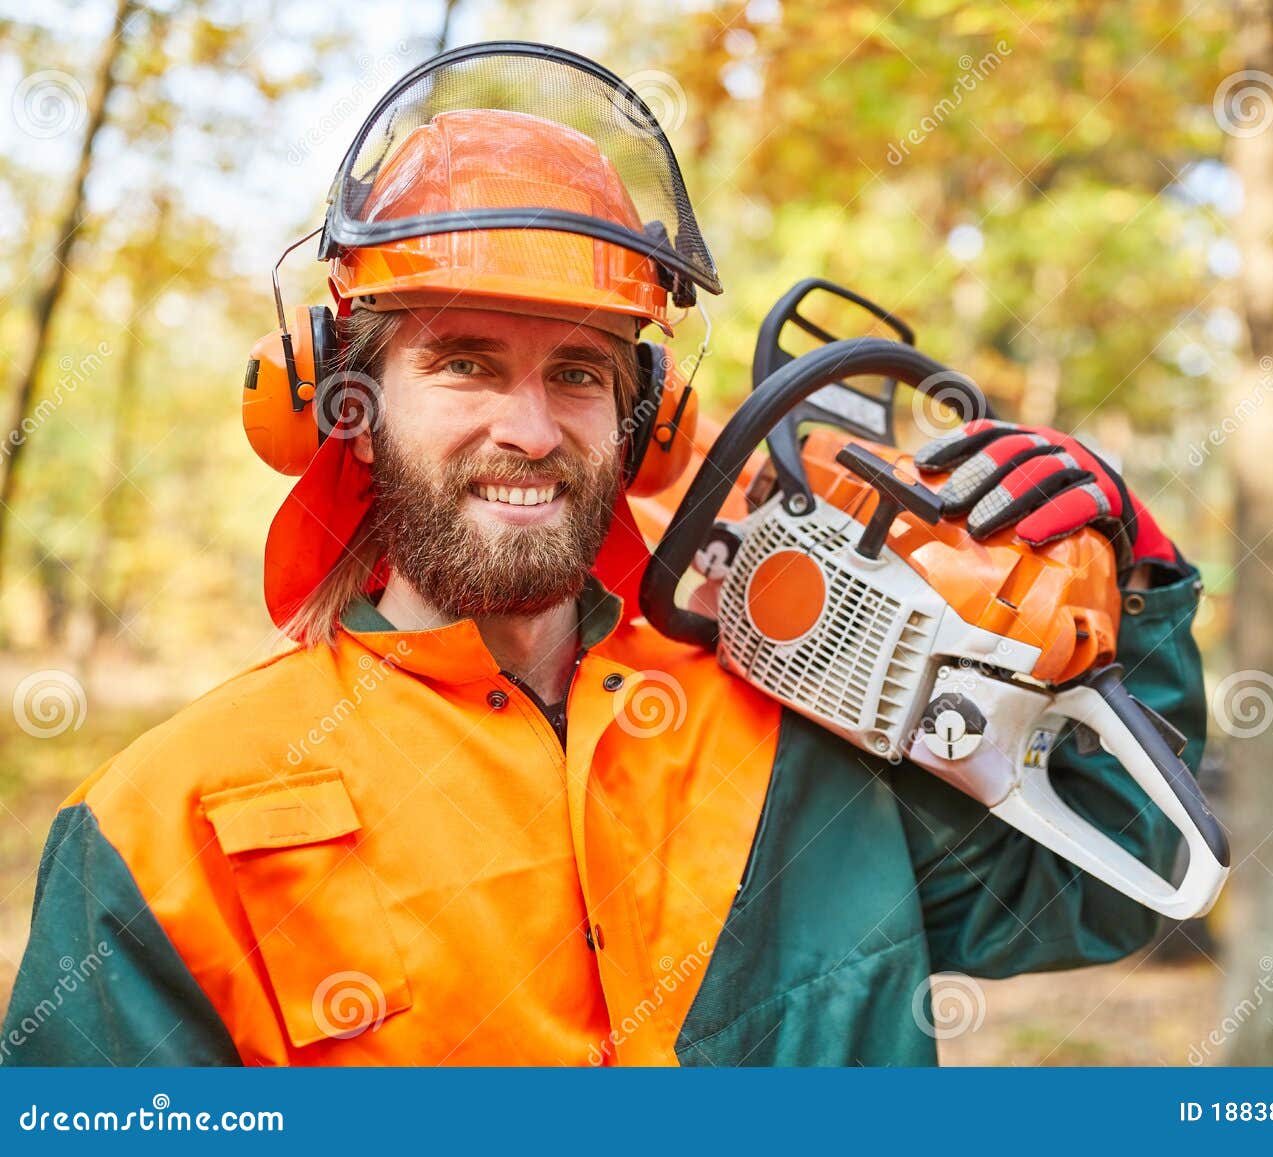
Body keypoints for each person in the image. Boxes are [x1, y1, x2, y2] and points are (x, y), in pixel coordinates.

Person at [1, 42, 1207, 1067]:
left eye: (578, 371)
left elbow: (1112, 874)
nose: (529, 428)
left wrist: (1130, 570)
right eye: (465, 362)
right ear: (343, 404)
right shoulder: (170, 826)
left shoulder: (788, 729)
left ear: (648, 423)